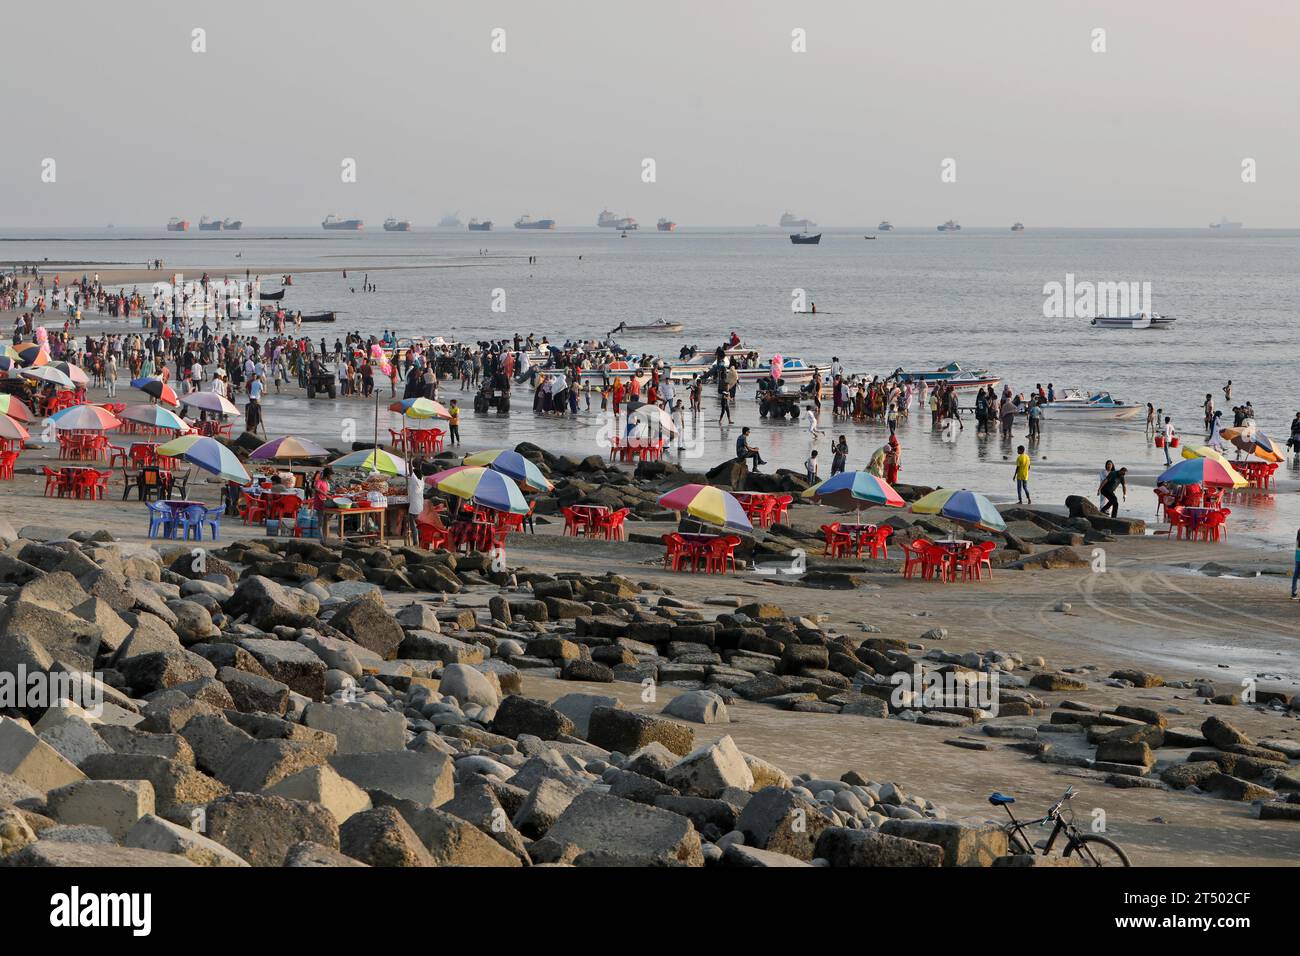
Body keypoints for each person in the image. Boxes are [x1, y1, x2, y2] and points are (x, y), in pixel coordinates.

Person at [1292, 528, 1300, 601]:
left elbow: (1297, 543)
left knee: (1295, 575)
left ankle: (1293, 593)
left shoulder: (1299, 530)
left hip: (1298, 554)